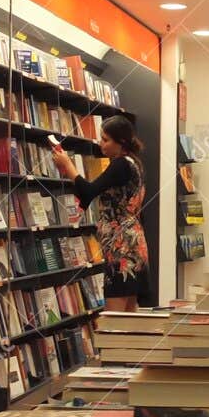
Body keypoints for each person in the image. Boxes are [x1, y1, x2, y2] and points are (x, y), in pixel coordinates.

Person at [52, 116, 149, 312]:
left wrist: (67, 165)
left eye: (105, 139)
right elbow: (89, 195)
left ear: (120, 142)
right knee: (130, 316)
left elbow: (88, 192)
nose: (100, 143)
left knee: (113, 321)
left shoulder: (120, 164)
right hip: (132, 243)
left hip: (120, 247)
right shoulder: (133, 163)